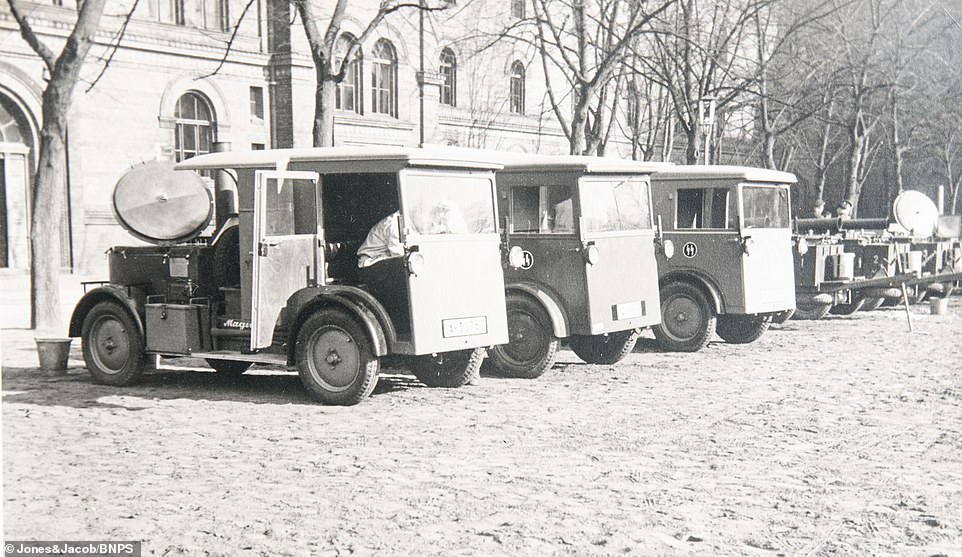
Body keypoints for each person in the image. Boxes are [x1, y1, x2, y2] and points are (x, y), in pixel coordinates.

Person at [356, 211, 410, 333]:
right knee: (403, 264)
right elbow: (397, 253)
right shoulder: (394, 222)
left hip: (383, 261)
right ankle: (401, 325)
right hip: (370, 264)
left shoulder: (408, 221)